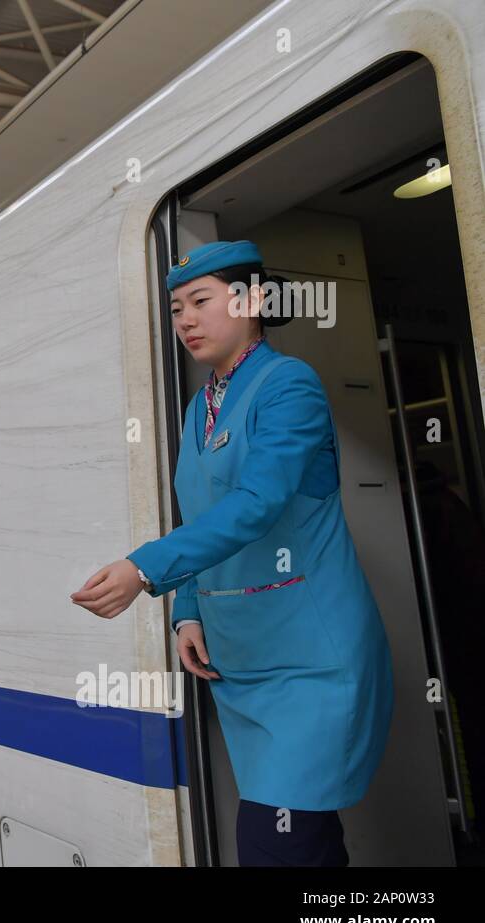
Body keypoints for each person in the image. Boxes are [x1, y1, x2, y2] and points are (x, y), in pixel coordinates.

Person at [71, 240, 394, 866]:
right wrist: (187, 610)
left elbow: (257, 503)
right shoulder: (199, 409)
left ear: (253, 301)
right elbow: (200, 517)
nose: (185, 319)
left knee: (279, 844)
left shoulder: (286, 384)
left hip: (309, 660)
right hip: (242, 659)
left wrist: (144, 570)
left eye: (200, 301)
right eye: (175, 309)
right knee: (306, 843)